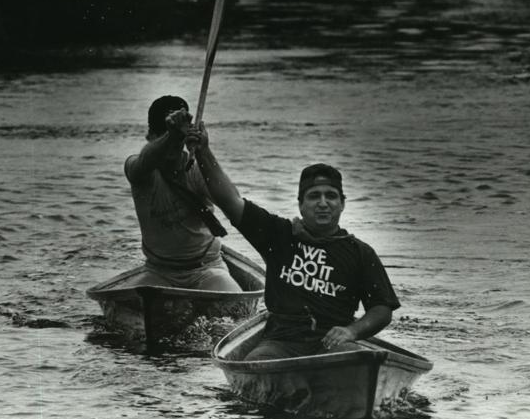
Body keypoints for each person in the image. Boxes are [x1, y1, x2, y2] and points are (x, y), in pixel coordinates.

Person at [187, 122, 400, 360]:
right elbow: (230, 200)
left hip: (332, 343)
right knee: (256, 361)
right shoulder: (278, 234)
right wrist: (203, 151)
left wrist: (352, 331)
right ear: (300, 204)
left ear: (342, 204)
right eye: (313, 196)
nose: (322, 203)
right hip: (280, 341)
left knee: (357, 360)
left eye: (331, 196)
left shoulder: (360, 252)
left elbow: (382, 309)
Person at [121, 95, 241, 292]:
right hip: (158, 272)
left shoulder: (196, 168)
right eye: (163, 137)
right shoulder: (138, 168)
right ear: (149, 137)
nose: (171, 150)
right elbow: (146, 161)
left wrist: (204, 151)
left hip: (207, 269)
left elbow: (233, 204)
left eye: (178, 141)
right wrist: (172, 136)